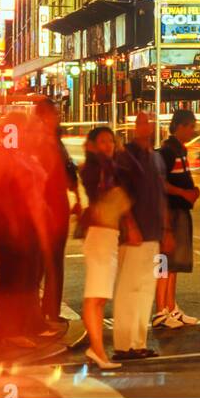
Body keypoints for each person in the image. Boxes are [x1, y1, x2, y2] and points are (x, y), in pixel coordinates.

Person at [0, 111, 54, 348]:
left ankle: (27, 324)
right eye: (26, 130)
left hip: (29, 224)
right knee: (14, 277)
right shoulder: (4, 154)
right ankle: (9, 330)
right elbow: (3, 190)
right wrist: (14, 223)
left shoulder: (23, 155)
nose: (31, 135)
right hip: (12, 225)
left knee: (28, 276)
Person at [113, 111, 172, 360]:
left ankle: (138, 342)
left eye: (149, 122)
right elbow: (119, 192)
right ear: (135, 126)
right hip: (134, 234)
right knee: (129, 289)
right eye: (141, 122)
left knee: (146, 288)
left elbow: (161, 195)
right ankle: (123, 344)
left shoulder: (156, 157)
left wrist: (166, 230)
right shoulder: (126, 156)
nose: (145, 126)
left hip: (153, 233)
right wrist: (130, 224)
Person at [78, 126, 129, 371]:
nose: (108, 145)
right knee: (95, 296)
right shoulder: (95, 169)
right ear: (93, 145)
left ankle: (97, 349)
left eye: (111, 140)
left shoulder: (109, 166)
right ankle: (97, 350)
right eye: (103, 141)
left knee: (99, 297)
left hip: (108, 234)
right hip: (99, 234)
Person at [32, 97, 81, 328]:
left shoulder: (55, 140)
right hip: (47, 206)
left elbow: (68, 169)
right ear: (43, 116)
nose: (58, 117)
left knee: (54, 261)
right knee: (43, 262)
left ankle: (51, 309)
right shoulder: (41, 142)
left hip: (58, 204)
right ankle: (40, 312)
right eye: (54, 114)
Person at [153, 108, 200, 330]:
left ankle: (170, 307)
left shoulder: (179, 150)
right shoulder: (167, 151)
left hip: (178, 212)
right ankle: (160, 310)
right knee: (164, 262)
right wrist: (184, 193)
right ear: (179, 126)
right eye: (191, 126)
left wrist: (190, 193)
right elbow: (160, 183)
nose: (193, 131)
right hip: (168, 213)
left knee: (174, 264)